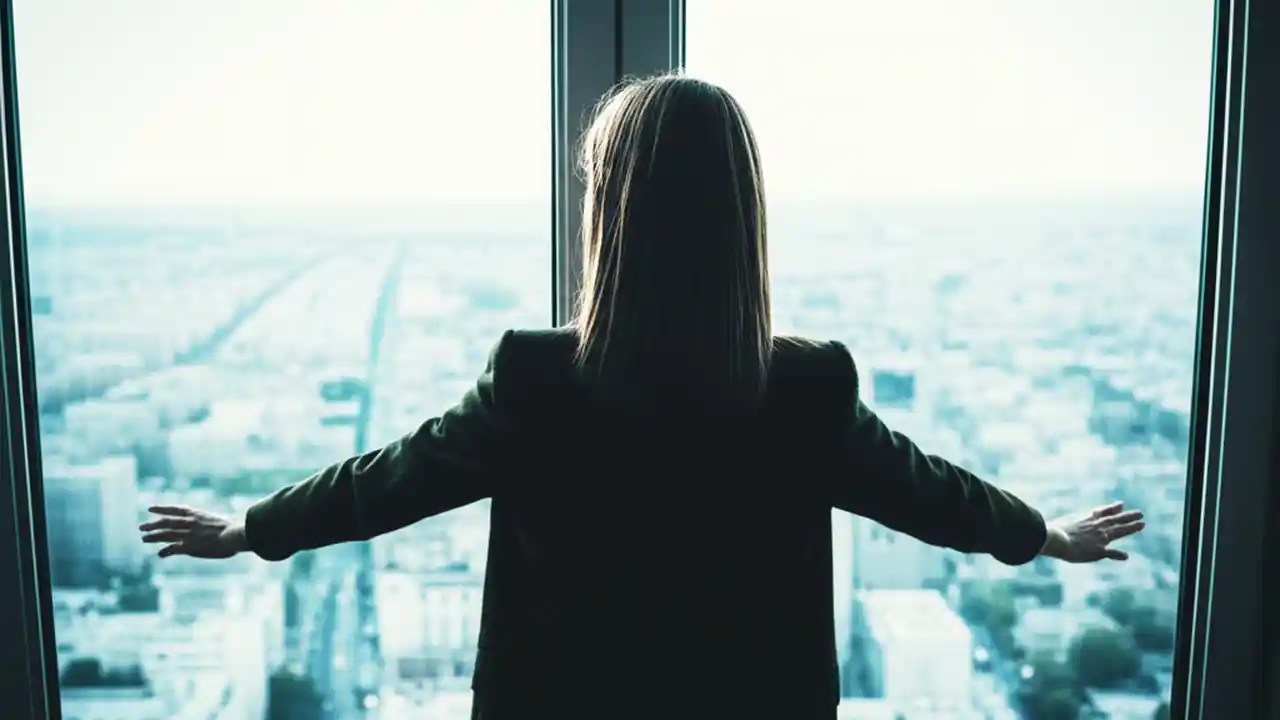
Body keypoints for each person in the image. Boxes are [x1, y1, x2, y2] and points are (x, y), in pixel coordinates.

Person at [139, 74, 1145, 719]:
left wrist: (250, 529)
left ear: (612, 216)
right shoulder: (805, 389)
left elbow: (390, 482)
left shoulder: (535, 382)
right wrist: (1044, 536)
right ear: (740, 217)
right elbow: (930, 495)